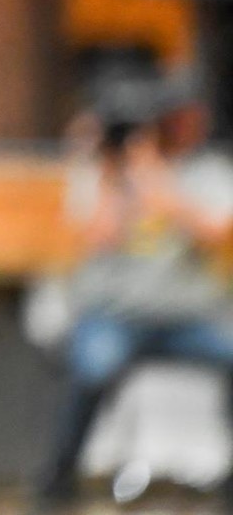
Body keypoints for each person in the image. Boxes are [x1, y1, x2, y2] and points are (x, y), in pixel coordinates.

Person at [35, 79, 233, 507]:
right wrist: (110, 172)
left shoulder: (205, 170)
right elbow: (98, 236)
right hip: (116, 317)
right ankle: (59, 474)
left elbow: (217, 230)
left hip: (188, 317)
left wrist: (155, 176)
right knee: (92, 367)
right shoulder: (102, 174)